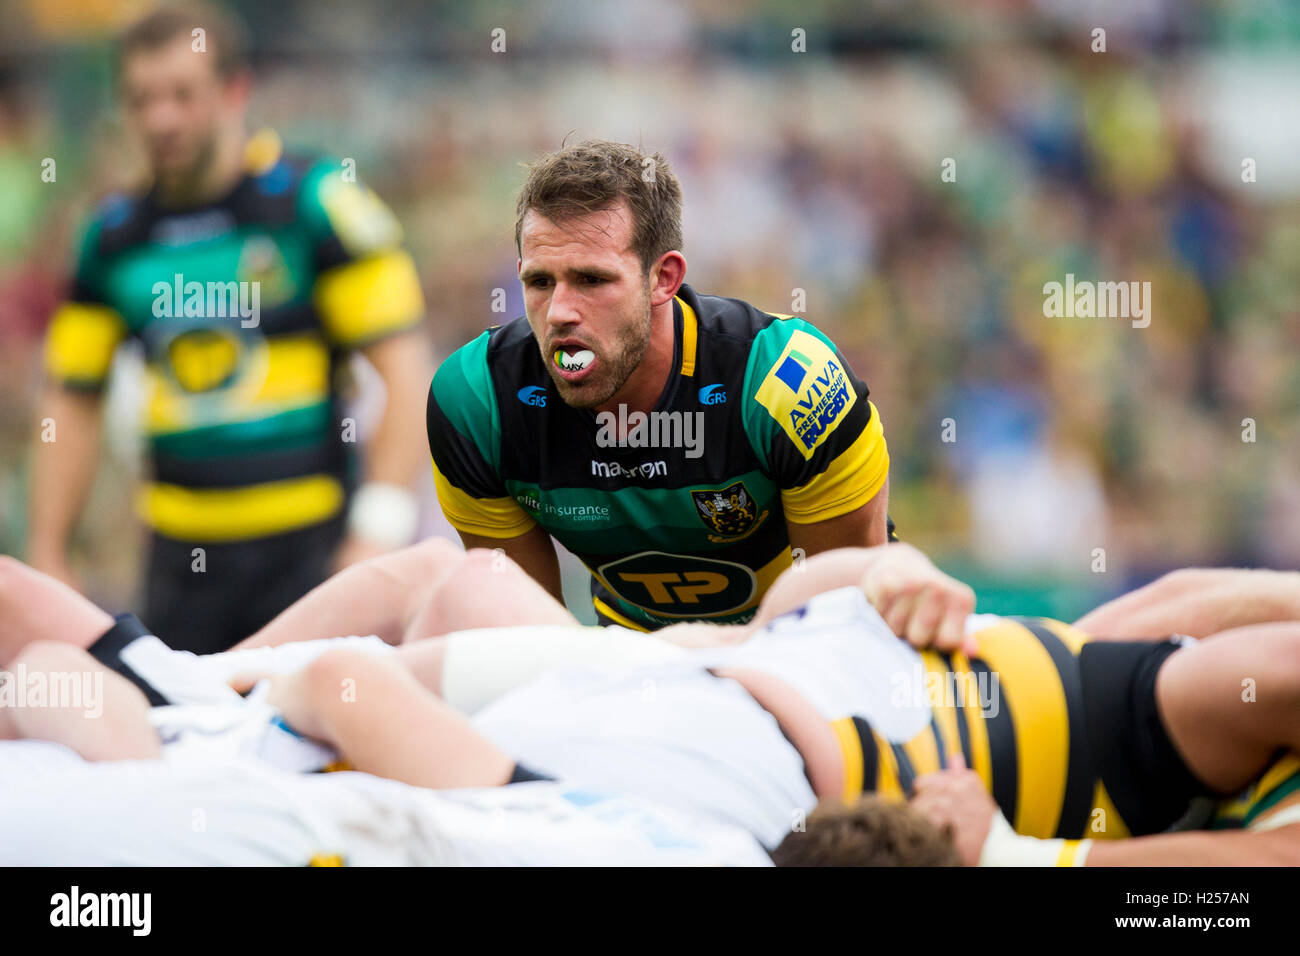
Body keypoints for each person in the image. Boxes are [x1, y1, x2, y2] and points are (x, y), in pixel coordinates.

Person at [1, 545, 1296, 864]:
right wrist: (883, 569)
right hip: (723, 671)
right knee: (441, 577)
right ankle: (183, 683)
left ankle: (177, 693)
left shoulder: (1024, 813)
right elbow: (1183, 592)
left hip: (709, 721)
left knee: (111, 689)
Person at [27, 2, 432, 654]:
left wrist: (375, 534)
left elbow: (406, 368)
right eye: (141, 99)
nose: (161, 118)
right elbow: (70, 399)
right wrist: (49, 554)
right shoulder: (111, 238)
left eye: (183, 95)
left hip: (314, 557)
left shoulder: (312, 203)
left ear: (235, 89)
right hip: (181, 568)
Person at [428, 139, 893, 631]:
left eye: (592, 280)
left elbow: (842, 628)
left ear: (663, 278)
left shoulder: (787, 383)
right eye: (540, 282)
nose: (560, 312)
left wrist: (711, 668)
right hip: (633, 670)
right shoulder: (477, 403)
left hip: (798, 656)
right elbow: (527, 641)